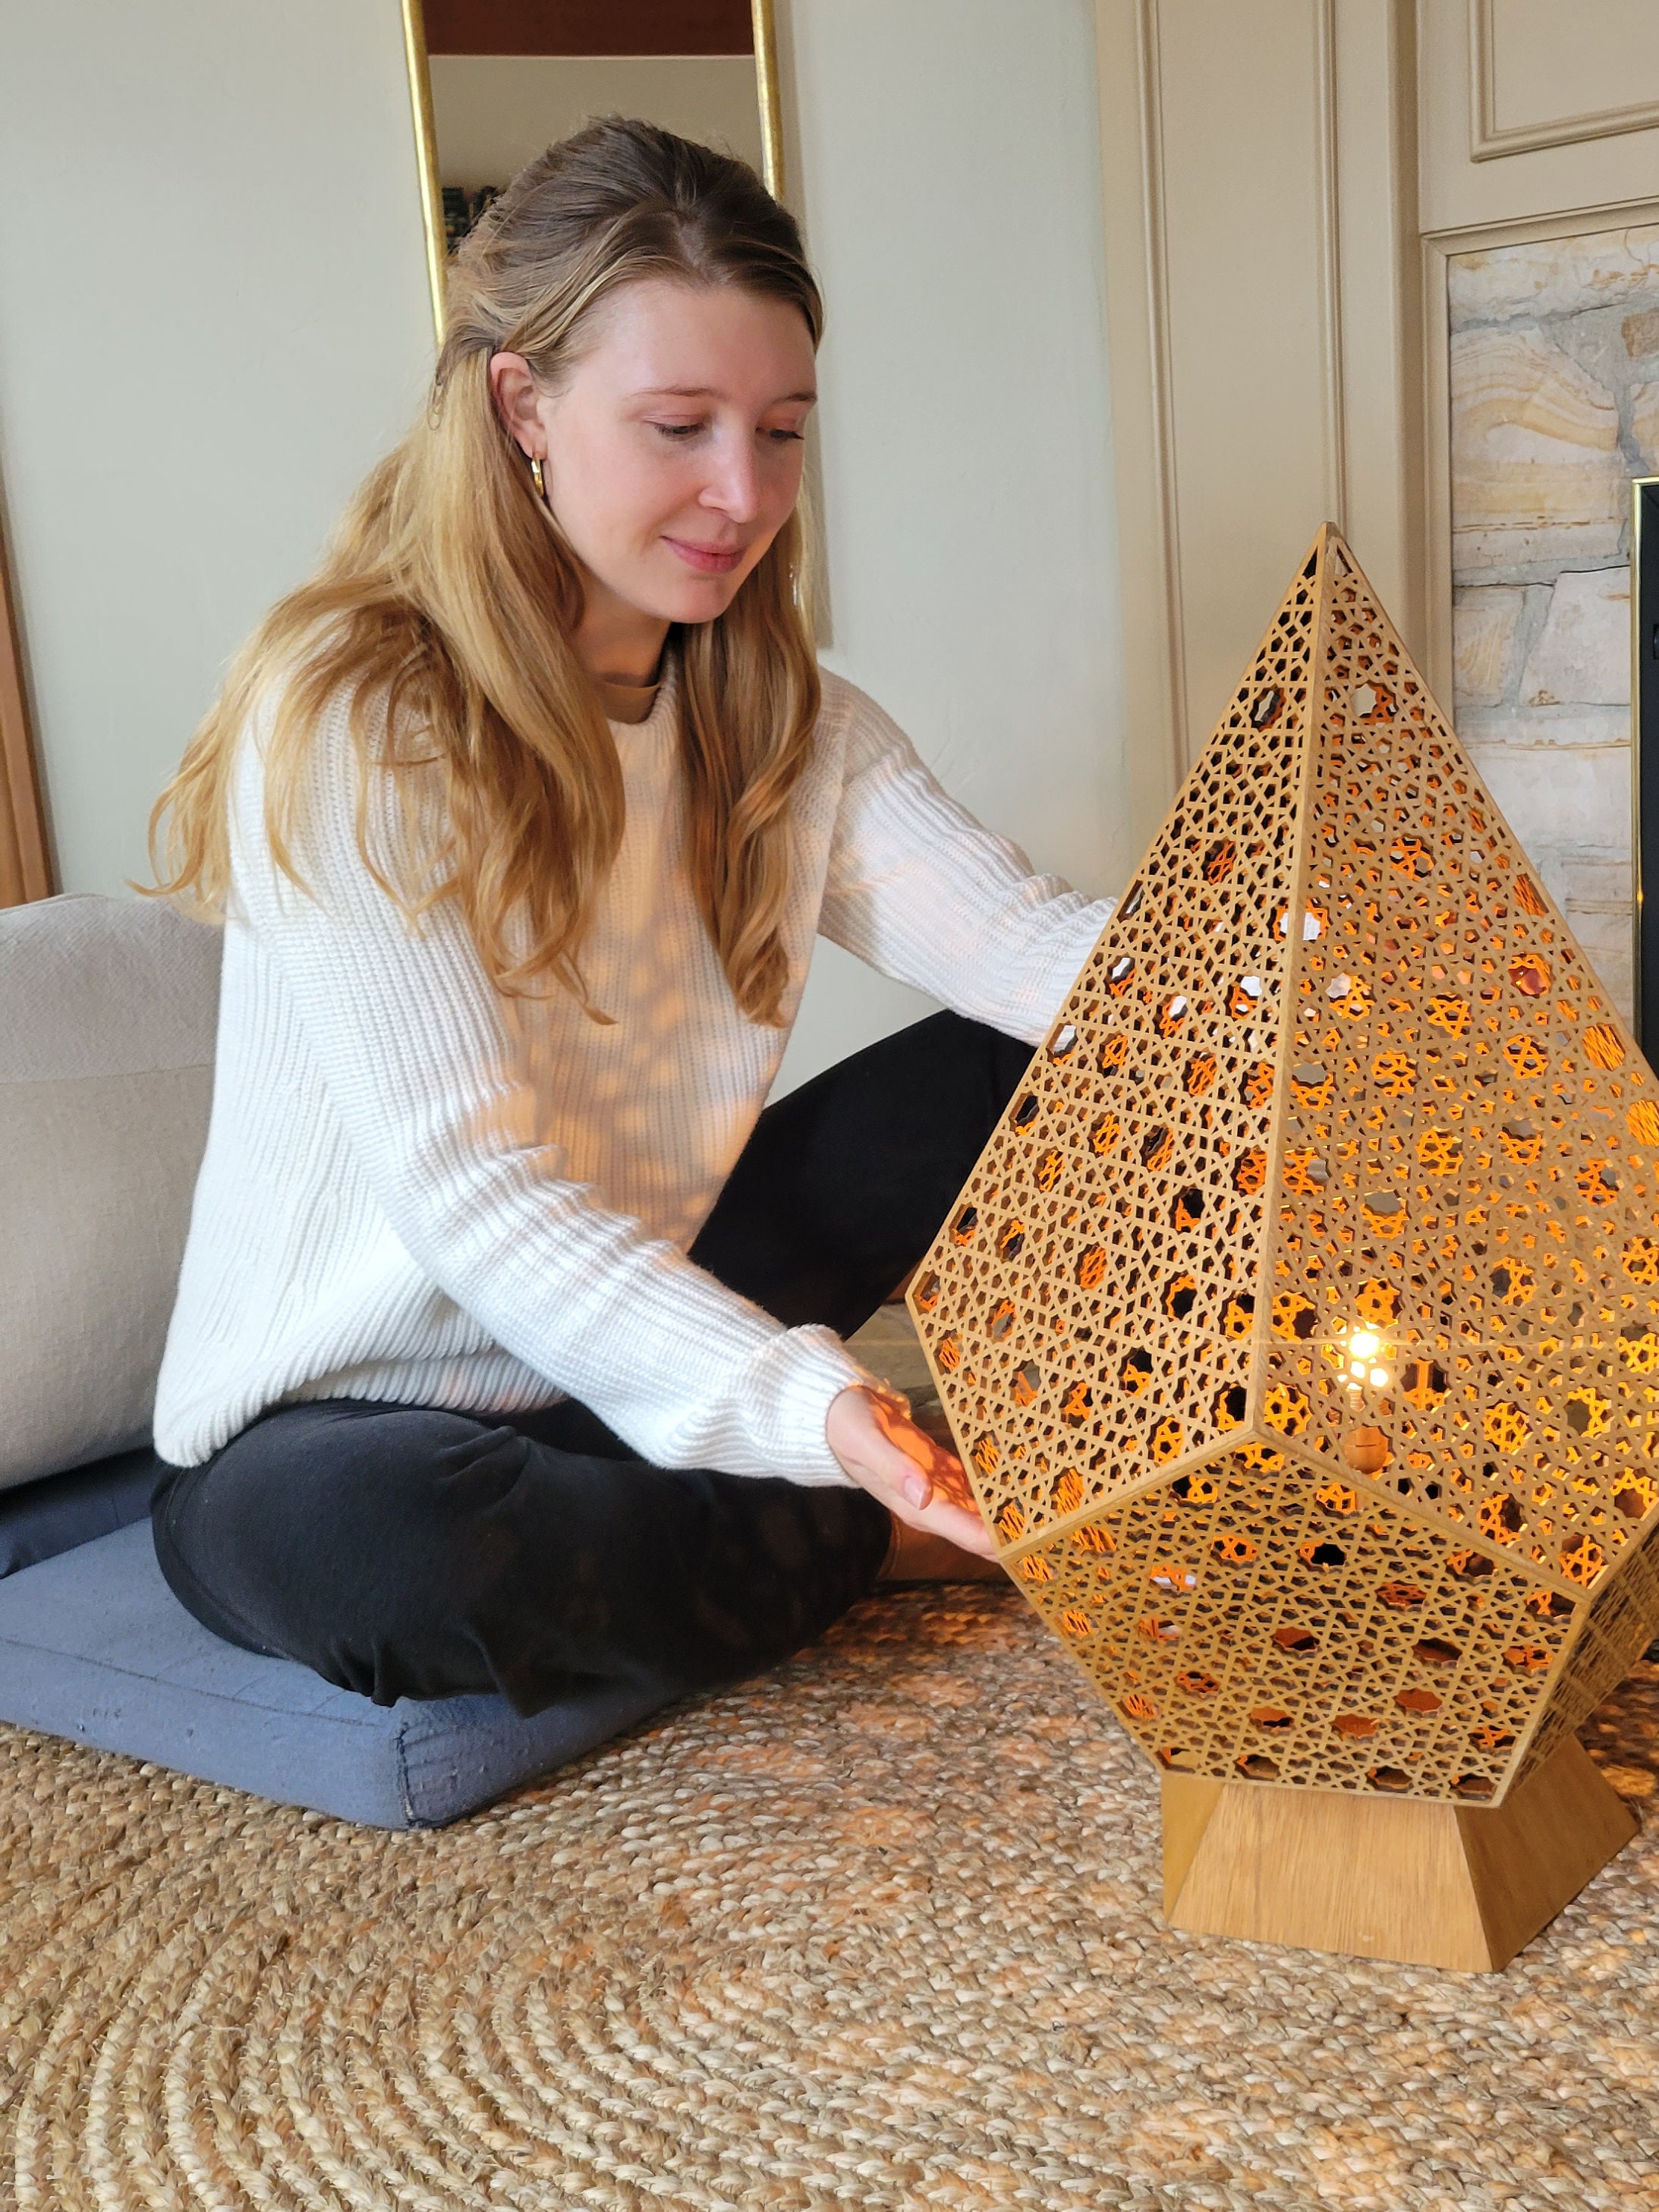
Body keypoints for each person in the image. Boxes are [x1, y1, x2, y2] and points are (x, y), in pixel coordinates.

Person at [143, 118, 1109, 1716]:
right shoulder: (356, 715)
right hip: (345, 1428)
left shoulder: (798, 725)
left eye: (783, 433)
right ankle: (867, 1534)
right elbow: (476, 1195)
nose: (745, 493)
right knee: (404, 1564)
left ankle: (777, 1517)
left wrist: (1324, 1001)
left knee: (1077, 1056)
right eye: (680, 427)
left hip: (628, 1349)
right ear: (524, 405)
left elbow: (1041, 955)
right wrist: (817, 1410)